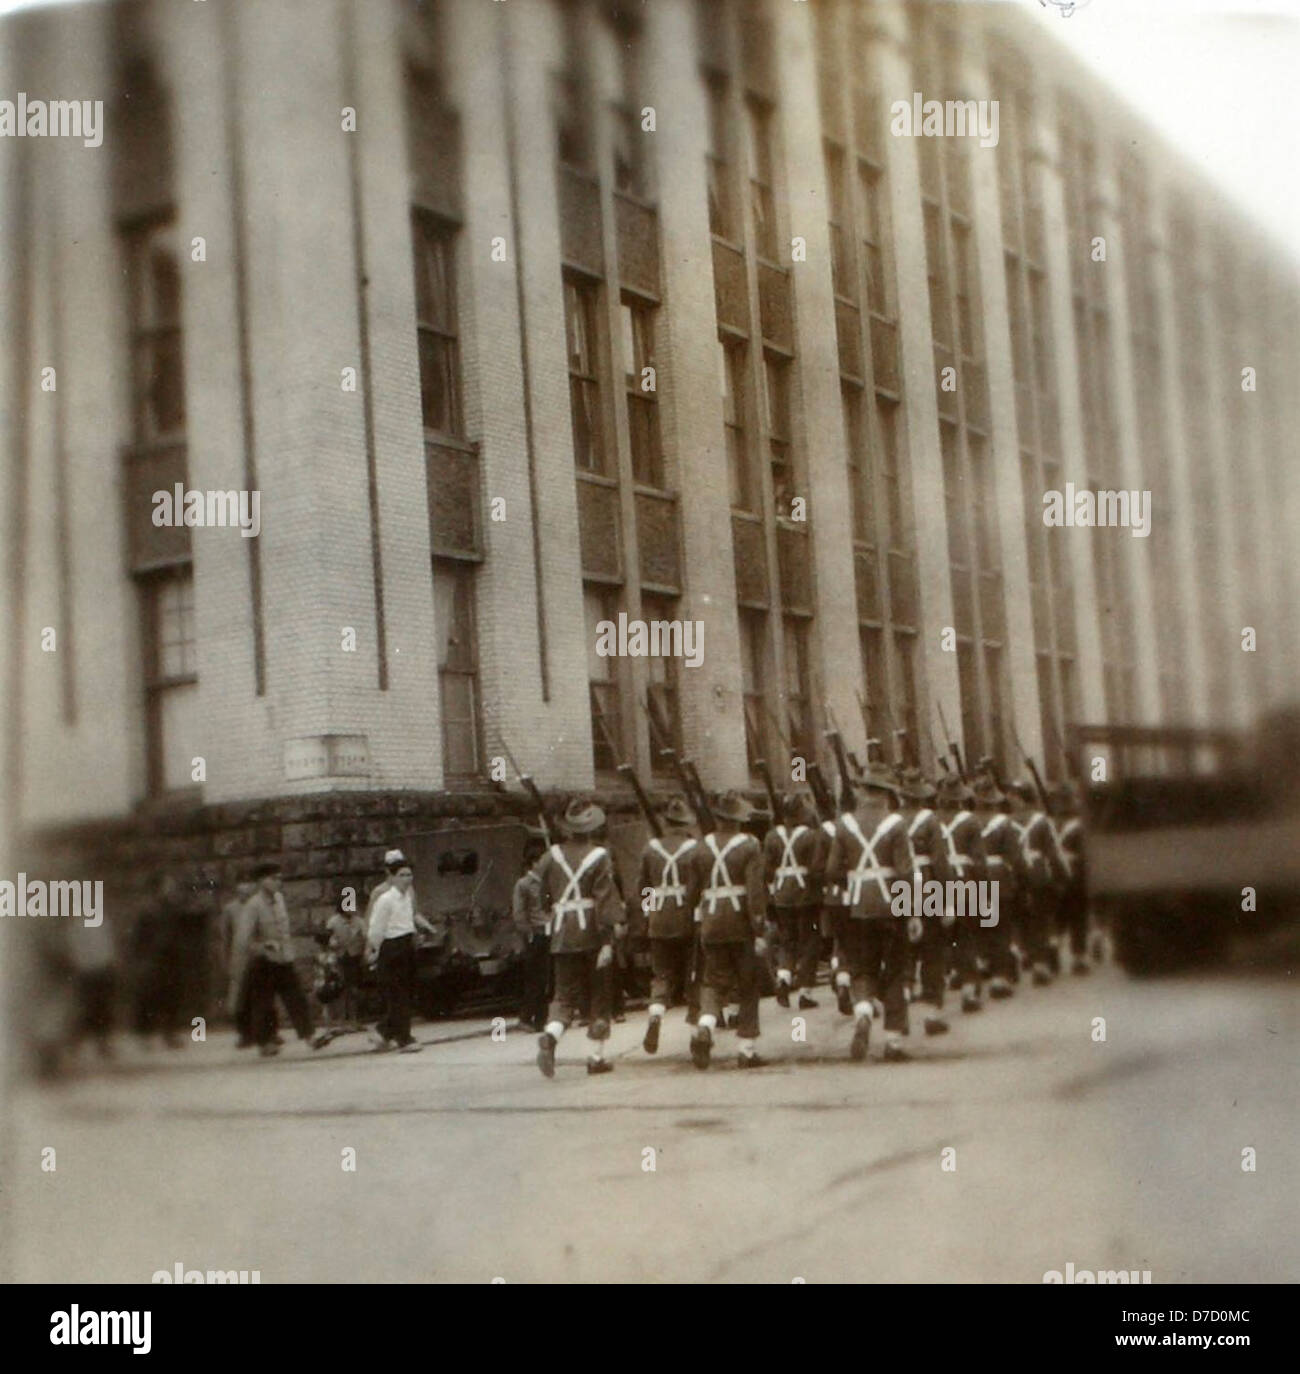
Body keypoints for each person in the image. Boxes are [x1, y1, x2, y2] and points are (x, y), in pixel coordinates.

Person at [826, 768, 915, 1062]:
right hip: (891, 905)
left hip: (857, 906)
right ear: (886, 793)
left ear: (863, 791)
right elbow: (905, 872)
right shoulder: (896, 824)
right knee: (894, 970)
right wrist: (912, 912)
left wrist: (855, 882)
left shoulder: (844, 824)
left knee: (862, 967)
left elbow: (833, 871)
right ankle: (893, 1042)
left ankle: (863, 1013)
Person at [532, 798, 623, 1078]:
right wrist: (608, 940)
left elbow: (541, 895)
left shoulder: (551, 856)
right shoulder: (600, 856)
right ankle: (595, 1058)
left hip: (562, 933)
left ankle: (550, 1036)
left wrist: (555, 912)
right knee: (599, 995)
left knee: (564, 995)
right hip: (592, 933)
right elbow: (605, 901)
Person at [686, 791, 768, 1071]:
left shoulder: (700, 847)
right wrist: (759, 927)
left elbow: (691, 893)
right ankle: (746, 1049)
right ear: (739, 819)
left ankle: (705, 1026)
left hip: (710, 922)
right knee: (748, 983)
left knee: (713, 981)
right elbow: (755, 892)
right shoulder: (750, 845)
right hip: (740, 923)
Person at [241, 862, 330, 1057]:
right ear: (261, 881)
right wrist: (264, 946)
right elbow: (244, 940)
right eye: (273, 878)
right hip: (264, 962)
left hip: (284, 959)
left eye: (280, 878)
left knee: (297, 998)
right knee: (264, 1004)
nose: (278, 882)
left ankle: (309, 1037)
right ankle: (265, 1043)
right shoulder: (253, 906)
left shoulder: (280, 899)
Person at [633, 795, 698, 1055]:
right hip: (687, 918)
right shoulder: (694, 848)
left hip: (659, 920)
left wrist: (651, 914)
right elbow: (698, 887)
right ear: (685, 824)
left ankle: (655, 1016)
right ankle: (696, 1035)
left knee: (661, 975)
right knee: (695, 975)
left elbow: (643, 889)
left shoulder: (650, 850)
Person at [899, 766, 953, 1035]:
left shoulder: (892, 819)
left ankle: (905, 992)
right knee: (933, 949)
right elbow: (940, 862)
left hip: (900, 885)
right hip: (929, 885)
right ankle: (932, 1013)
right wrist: (949, 900)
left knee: (904, 946)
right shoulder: (930, 821)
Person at [366, 856, 439, 1053]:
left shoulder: (407, 897)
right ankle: (404, 1038)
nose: (407, 879)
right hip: (391, 946)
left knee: (406, 993)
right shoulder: (385, 900)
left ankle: (384, 1032)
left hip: (406, 945)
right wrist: (376, 950)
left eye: (409, 875)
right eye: (402, 875)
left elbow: (409, 920)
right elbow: (375, 929)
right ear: (393, 877)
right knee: (398, 995)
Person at [763, 792, 825, 1011]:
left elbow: (767, 870)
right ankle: (805, 992)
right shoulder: (811, 836)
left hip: (781, 895)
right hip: (805, 894)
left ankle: (783, 978)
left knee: (787, 940)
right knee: (810, 941)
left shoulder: (772, 836)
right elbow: (818, 869)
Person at [935, 773, 986, 1014]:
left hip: (936, 883)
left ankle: (947, 979)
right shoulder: (971, 821)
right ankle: (968, 989)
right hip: (965, 881)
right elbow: (978, 861)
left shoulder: (932, 821)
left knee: (944, 936)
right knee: (967, 936)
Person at [976, 771, 1025, 1000]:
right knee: (1001, 928)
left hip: (975, 876)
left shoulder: (968, 821)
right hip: (998, 876)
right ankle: (999, 977)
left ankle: (984, 965)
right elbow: (1014, 856)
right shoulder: (1004, 823)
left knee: (985, 925)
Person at [512, 827, 551, 1031]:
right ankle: (530, 1019)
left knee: (547, 978)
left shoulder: (547, 881)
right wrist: (527, 932)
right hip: (536, 934)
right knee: (537, 979)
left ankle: (540, 1019)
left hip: (549, 932)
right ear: (534, 863)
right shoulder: (524, 884)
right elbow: (519, 912)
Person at [325, 890, 367, 1030]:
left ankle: (354, 1020)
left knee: (354, 990)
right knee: (341, 990)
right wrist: (332, 943)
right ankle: (341, 1021)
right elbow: (326, 940)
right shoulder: (333, 922)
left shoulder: (359, 921)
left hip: (355, 959)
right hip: (339, 958)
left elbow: (366, 936)